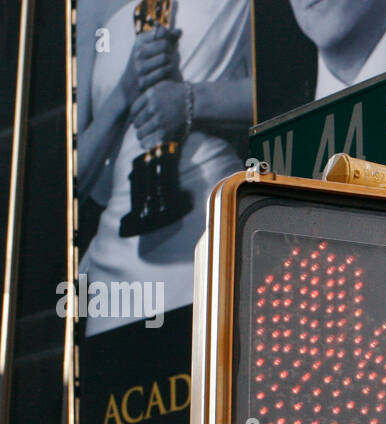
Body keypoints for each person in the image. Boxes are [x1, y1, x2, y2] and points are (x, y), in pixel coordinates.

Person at [76, 0, 253, 335]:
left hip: (213, 228)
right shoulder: (92, 13)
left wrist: (191, 100)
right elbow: (70, 184)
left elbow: (293, 90)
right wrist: (124, 94)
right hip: (117, 269)